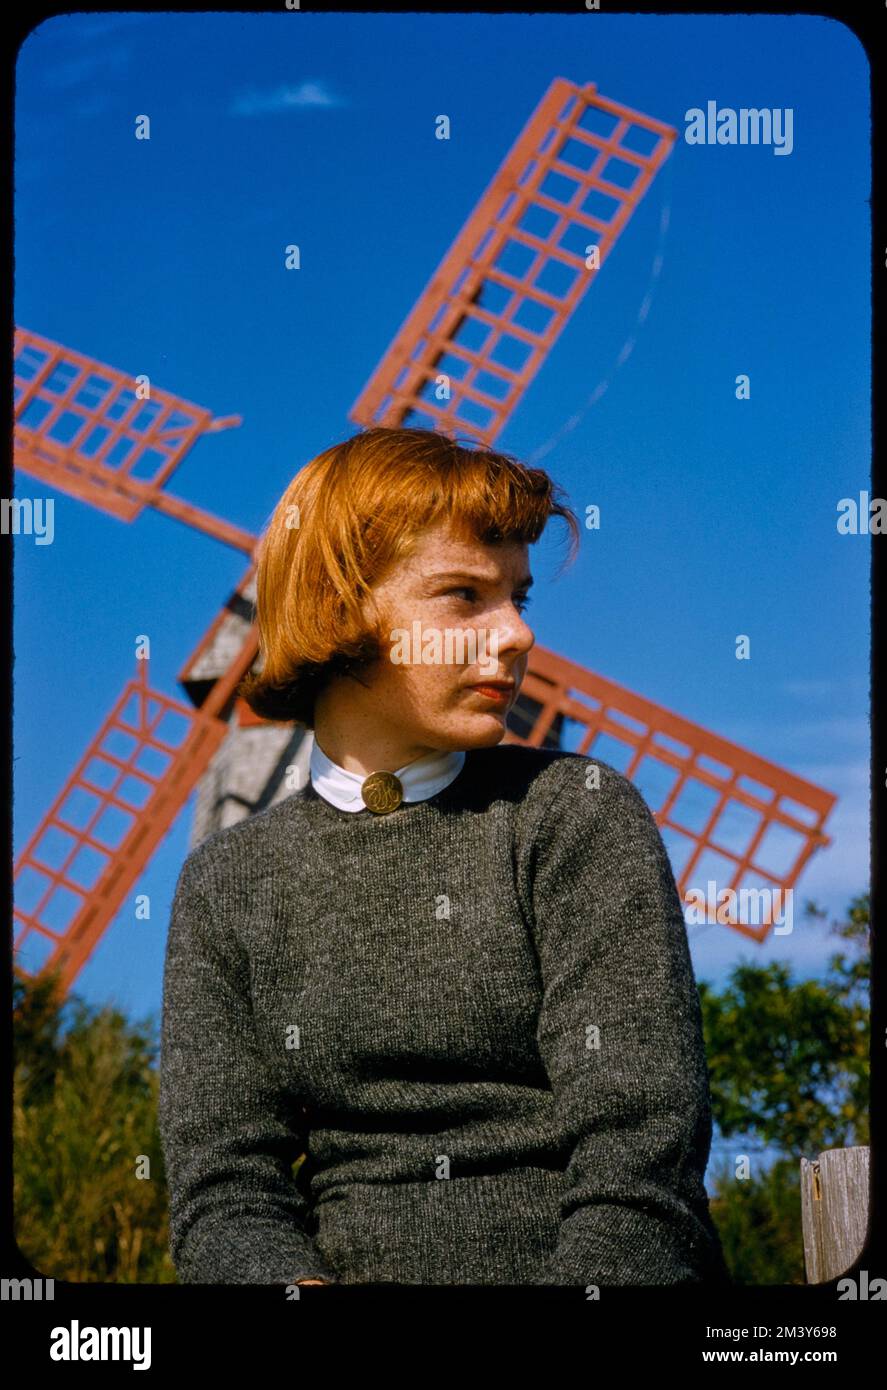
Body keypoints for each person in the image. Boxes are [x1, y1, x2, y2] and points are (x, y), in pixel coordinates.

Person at [158, 425, 731, 1287]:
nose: (514, 636)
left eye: (518, 599)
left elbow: (639, 1164)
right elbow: (227, 1196)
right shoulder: (227, 882)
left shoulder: (572, 816)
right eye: (463, 595)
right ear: (338, 605)